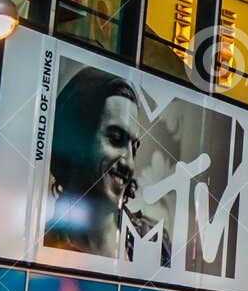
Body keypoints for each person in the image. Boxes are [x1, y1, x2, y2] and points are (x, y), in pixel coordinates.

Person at [43, 66, 172, 266]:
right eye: (115, 138)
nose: (128, 162)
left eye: (134, 148)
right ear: (79, 141)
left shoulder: (154, 242)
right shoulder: (45, 246)